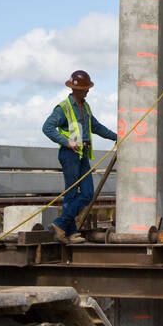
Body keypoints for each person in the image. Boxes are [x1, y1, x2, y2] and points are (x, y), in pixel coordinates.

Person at [41, 70, 118, 243]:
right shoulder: (63, 108)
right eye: (85, 88)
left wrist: (117, 136)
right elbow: (47, 128)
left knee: (86, 194)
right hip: (70, 154)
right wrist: (67, 142)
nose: (87, 91)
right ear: (76, 89)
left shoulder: (86, 107)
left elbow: (96, 127)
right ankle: (65, 229)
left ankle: (63, 228)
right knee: (72, 194)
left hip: (81, 155)